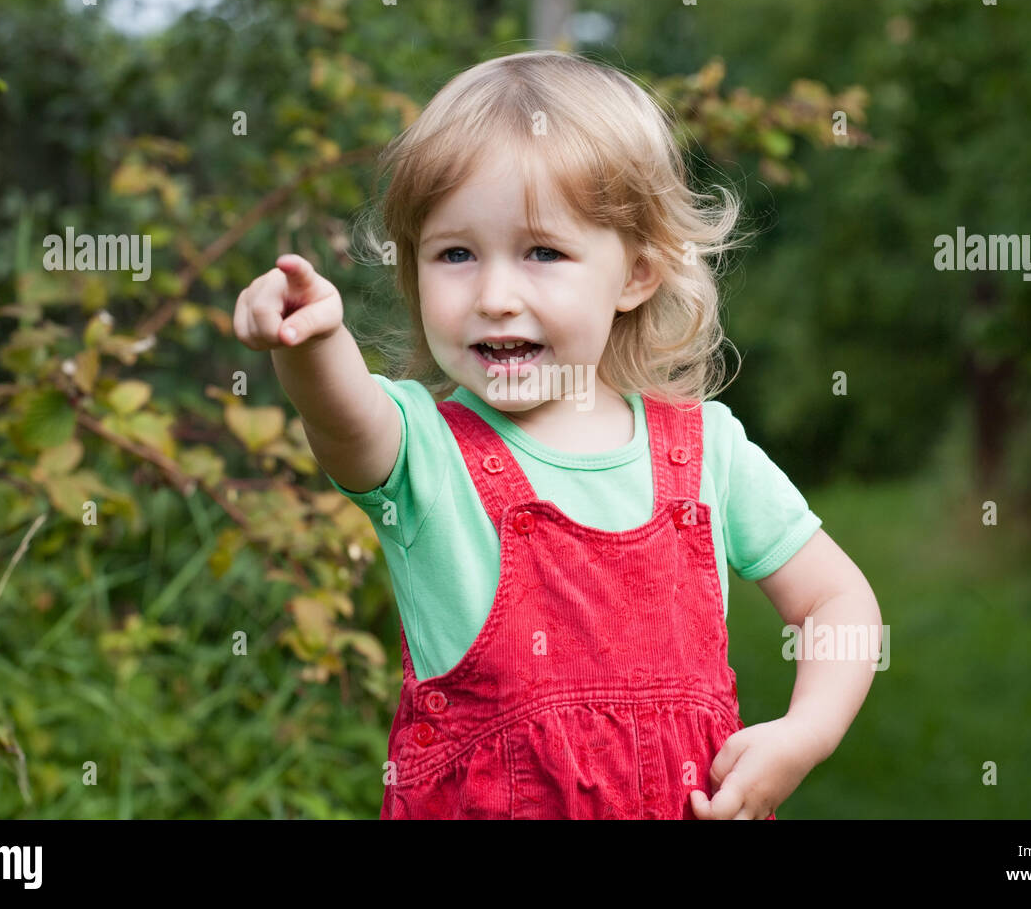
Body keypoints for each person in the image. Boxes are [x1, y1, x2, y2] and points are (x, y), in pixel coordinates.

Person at [234, 49, 881, 819]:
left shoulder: (709, 451)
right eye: (456, 254)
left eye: (543, 252)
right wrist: (311, 344)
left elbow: (837, 600)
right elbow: (345, 417)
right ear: (414, 272)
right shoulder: (425, 457)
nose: (496, 296)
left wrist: (805, 733)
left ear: (637, 275)